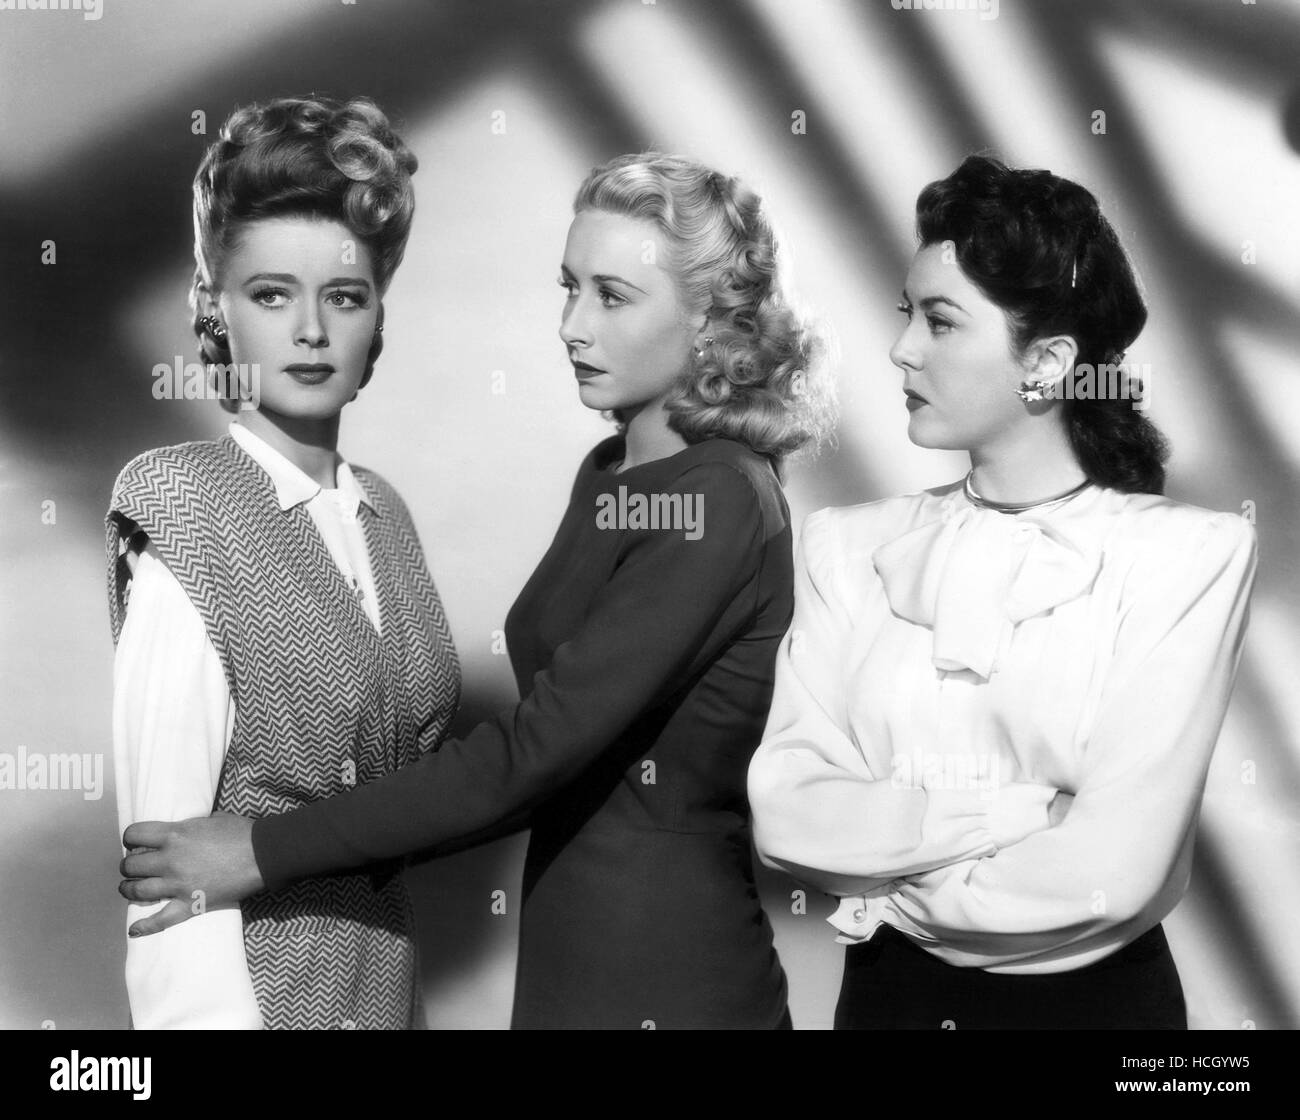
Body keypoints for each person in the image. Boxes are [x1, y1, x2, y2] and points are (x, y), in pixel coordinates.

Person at [118, 152, 835, 1029]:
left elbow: (533, 755)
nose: (573, 326)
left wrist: (266, 850)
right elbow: (535, 771)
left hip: (669, 968)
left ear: (708, 321)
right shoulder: (610, 470)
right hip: (569, 955)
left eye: (613, 296)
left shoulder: (719, 496)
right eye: (568, 288)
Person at [747, 155, 1257, 1030]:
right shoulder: (847, 547)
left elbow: (1114, 869)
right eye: (909, 314)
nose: (902, 348)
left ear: (1049, 362)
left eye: (941, 322)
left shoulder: (1189, 556)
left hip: (1094, 1015)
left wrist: (892, 880)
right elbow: (789, 817)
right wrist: (1016, 812)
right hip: (888, 1007)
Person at [107, 95, 460, 1029]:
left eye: (343, 296)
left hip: (389, 993)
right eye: (271, 294)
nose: (311, 330)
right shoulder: (183, 504)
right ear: (214, 309)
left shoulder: (386, 516)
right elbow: (164, 876)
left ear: (378, 316)